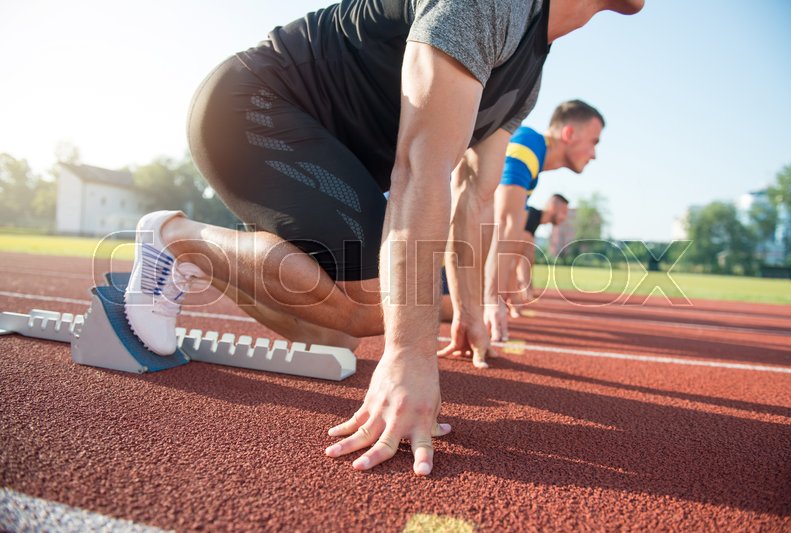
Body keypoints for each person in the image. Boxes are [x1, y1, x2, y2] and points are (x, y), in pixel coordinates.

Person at [123, 0, 644, 477]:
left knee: (334, 335)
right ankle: (176, 240)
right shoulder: (491, 5)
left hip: (323, 153)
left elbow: (474, 196)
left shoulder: (529, 77)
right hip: (256, 107)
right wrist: (409, 351)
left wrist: (467, 310)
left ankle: (209, 258)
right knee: (381, 307)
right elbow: (421, 168)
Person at [484, 100, 605, 342]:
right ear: (569, 133)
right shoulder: (528, 144)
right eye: (594, 142)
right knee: (448, 308)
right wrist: (490, 300)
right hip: (437, 251)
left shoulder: (532, 162)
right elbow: (506, 223)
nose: (594, 155)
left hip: (456, 252)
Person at [506, 193, 570, 318]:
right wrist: (516, 293)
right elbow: (513, 258)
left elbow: (526, 257)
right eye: (564, 212)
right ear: (553, 207)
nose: (565, 217)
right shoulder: (529, 216)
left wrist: (527, 285)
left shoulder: (533, 221)